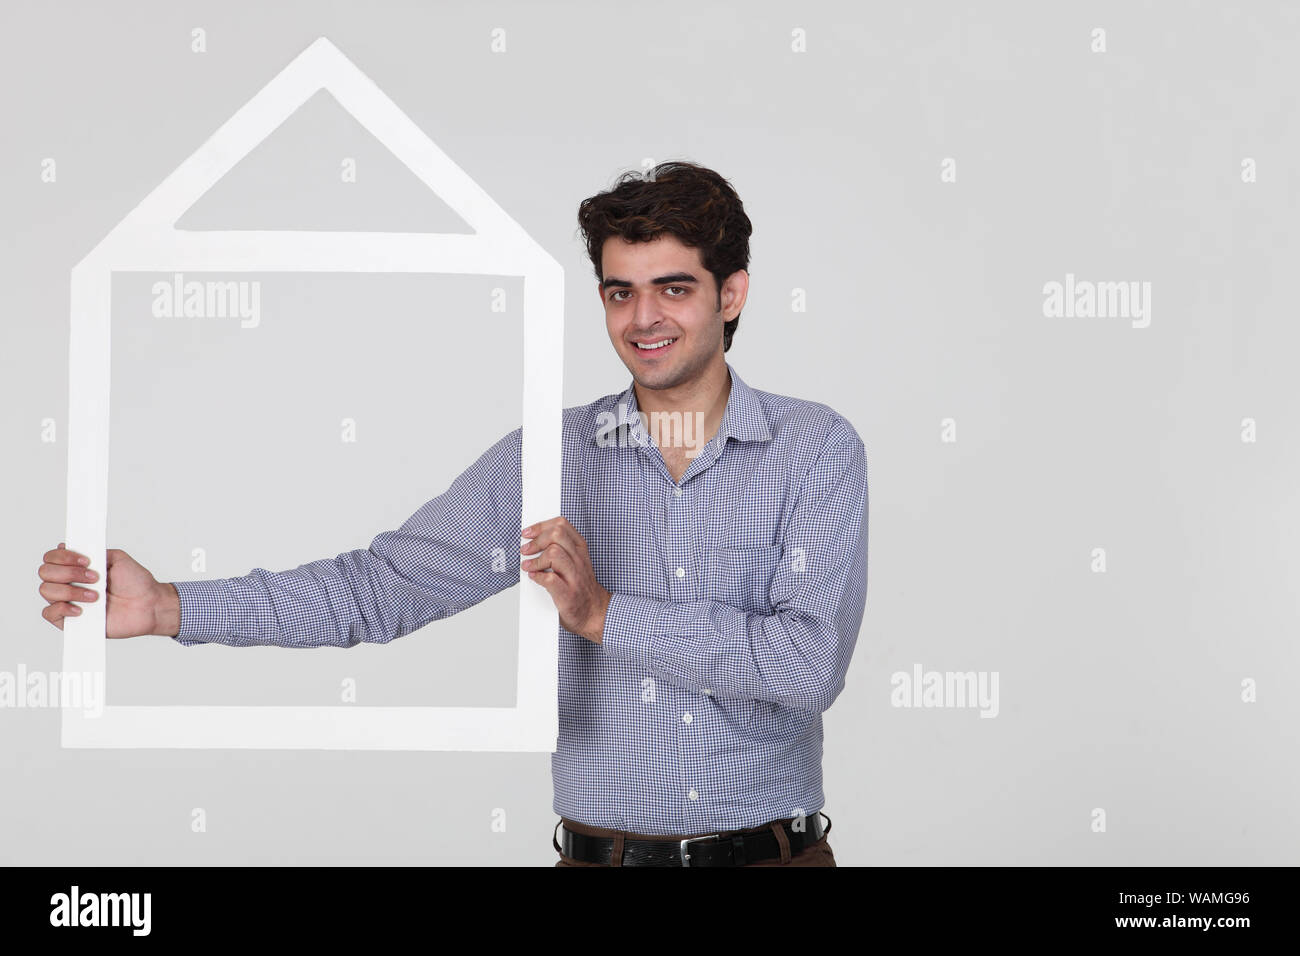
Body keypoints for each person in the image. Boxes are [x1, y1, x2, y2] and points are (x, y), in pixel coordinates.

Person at [38, 161, 868, 867]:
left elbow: (805, 667)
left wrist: (605, 614)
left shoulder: (816, 450)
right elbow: (384, 588)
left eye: (673, 289)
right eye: (620, 292)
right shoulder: (550, 457)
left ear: (732, 294)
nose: (642, 318)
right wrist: (169, 607)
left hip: (771, 860)